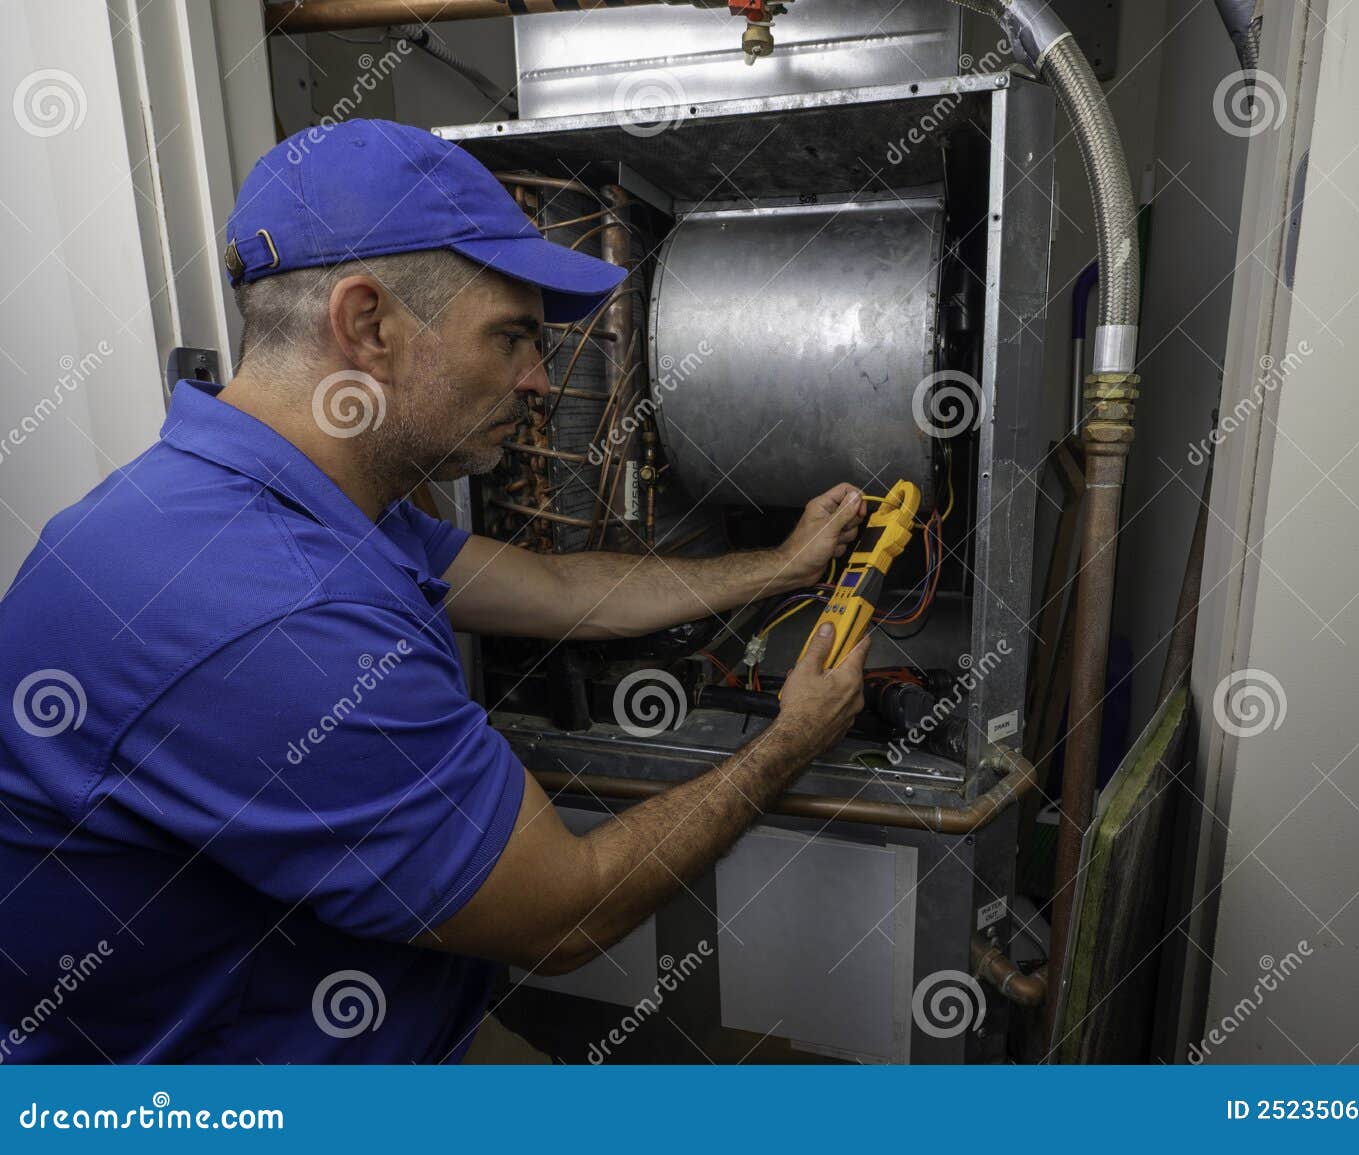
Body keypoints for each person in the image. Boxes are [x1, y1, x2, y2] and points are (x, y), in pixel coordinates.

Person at [0, 119, 870, 1063]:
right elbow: (565, 913)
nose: (540, 380)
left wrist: (781, 564)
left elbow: (551, 588)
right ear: (367, 324)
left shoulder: (272, 494)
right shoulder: (273, 615)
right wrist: (792, 740)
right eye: (511, 337)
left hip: (390, 1017)